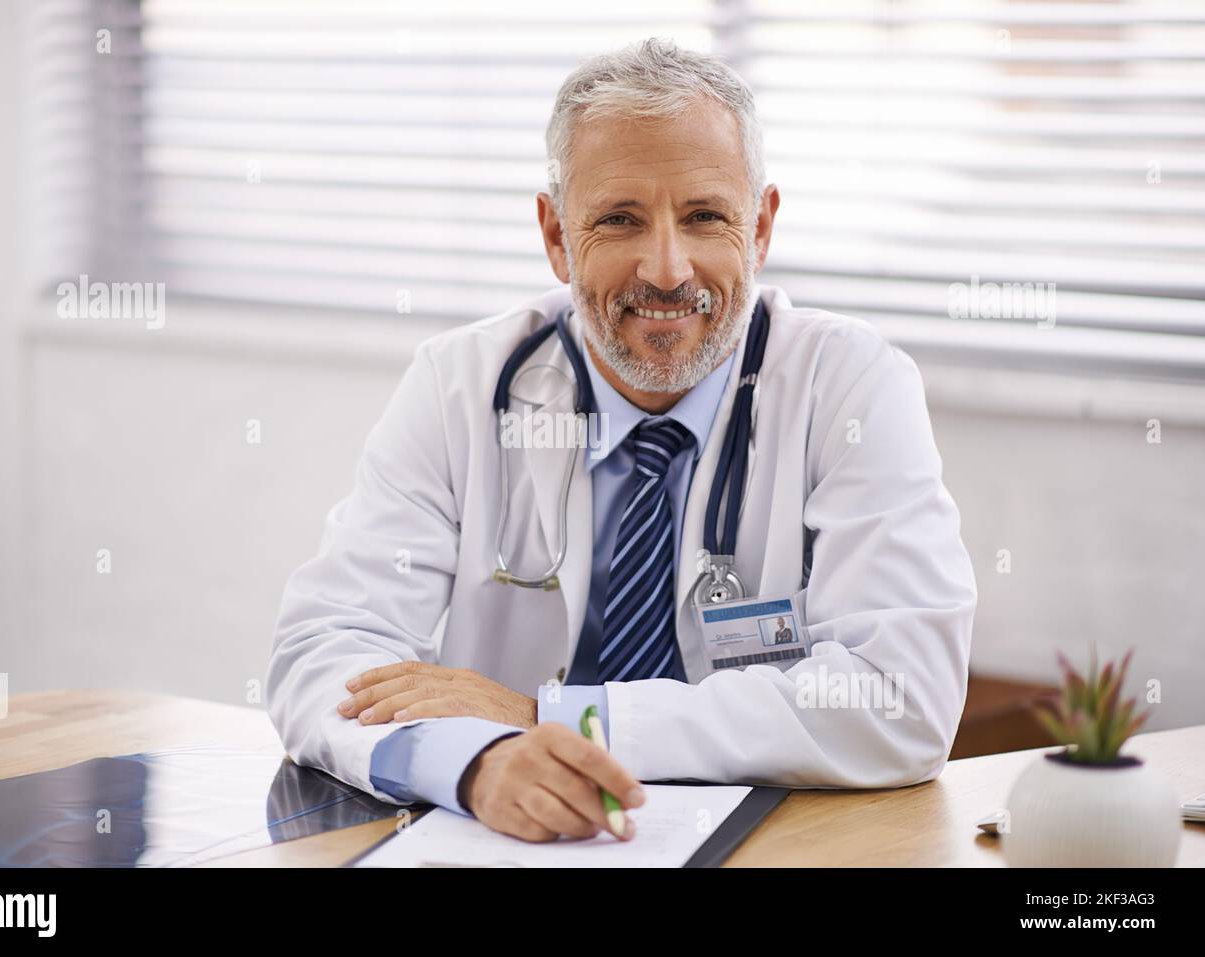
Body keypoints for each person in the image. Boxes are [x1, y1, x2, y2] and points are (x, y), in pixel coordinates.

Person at [267, 38, 977, 843]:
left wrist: (562, 718)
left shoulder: (850, 386)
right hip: (516, 848)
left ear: (763, 226)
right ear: (557, 236)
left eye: (706, 216)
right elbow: (321, 653)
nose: (668, 269)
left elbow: (899, 695)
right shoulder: (459, 384)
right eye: (619, 220)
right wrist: (477, 762)